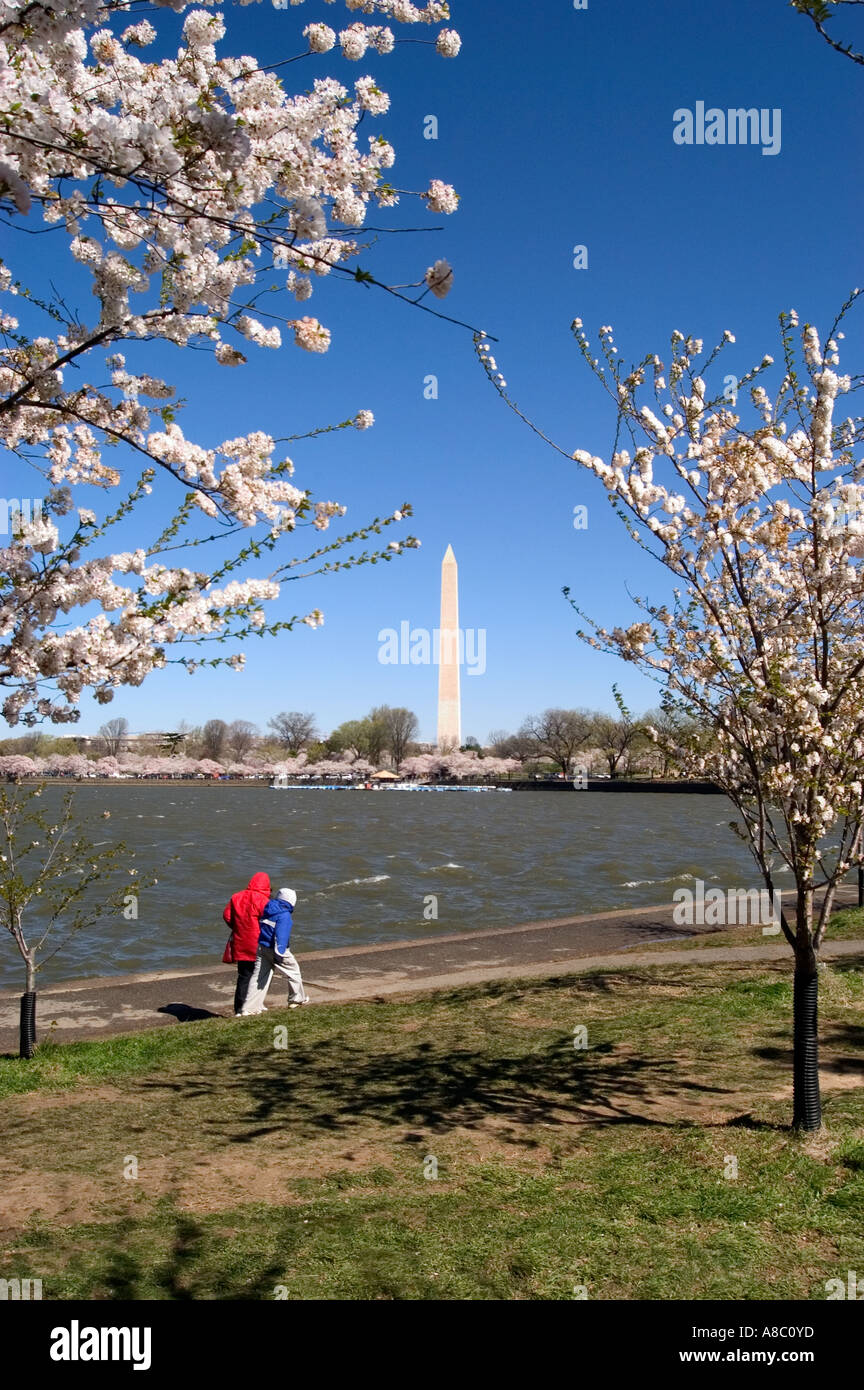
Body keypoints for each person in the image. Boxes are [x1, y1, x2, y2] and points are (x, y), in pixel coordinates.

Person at [240, 886, 310, 1015]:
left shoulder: (268, 909)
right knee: (293, 971)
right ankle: (296, 999)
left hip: (262, 947)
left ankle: (249, 1008)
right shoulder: (284, 915)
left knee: (259, 977)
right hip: (276, 949)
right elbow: (281, 936)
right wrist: (280, 953)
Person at [222, 871, 271, 1016]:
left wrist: (237, 927)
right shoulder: (263, 900)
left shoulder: (236, 897)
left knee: (243, 975)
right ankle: (252, 1004)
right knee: (259, 974)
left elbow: (227, 916)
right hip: (257, 942)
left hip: (240, 941)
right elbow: (268, 920)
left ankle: (238, 1008)